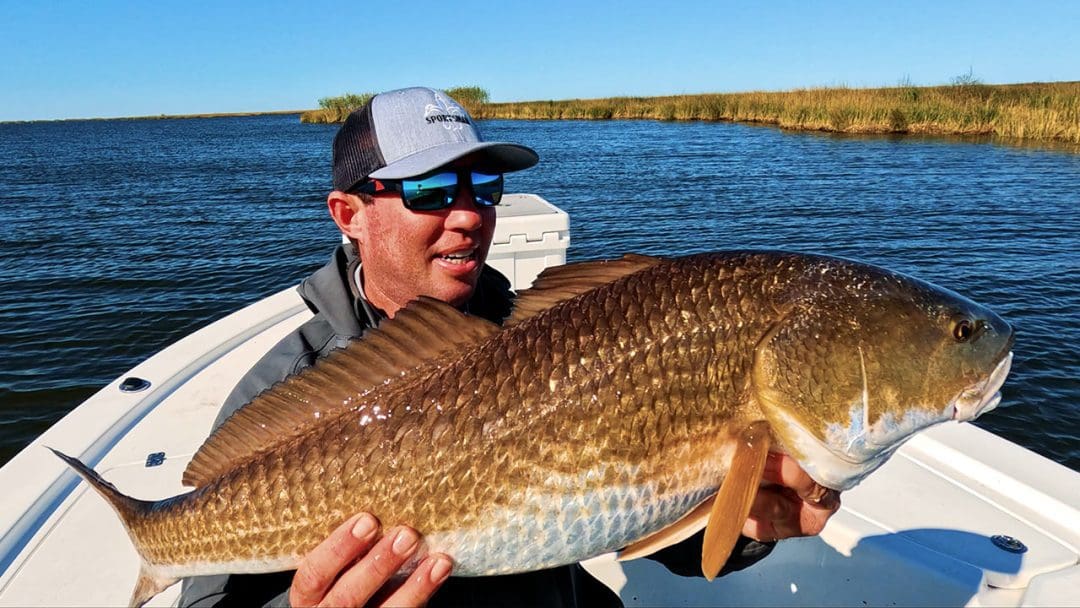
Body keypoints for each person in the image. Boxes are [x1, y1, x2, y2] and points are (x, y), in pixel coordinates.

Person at [180, 87, 840, 607]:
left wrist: (757, 515)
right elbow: (208, 596)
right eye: (433, 190)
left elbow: (644, 518)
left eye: (483, 187)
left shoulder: (563, 342)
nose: (469, 214)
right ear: (348, 214)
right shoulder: (286, 390)